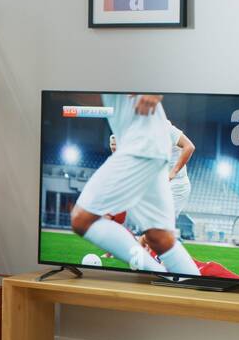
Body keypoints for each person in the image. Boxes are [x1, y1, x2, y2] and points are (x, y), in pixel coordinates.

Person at [70, 93, 202, 276]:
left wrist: (153, 91)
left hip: (147, 151)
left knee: (81, 219)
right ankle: (192, 285)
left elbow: (189, 146)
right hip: (151, 155)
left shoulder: (165, 127)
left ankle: (155, 270)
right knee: (159, 237)